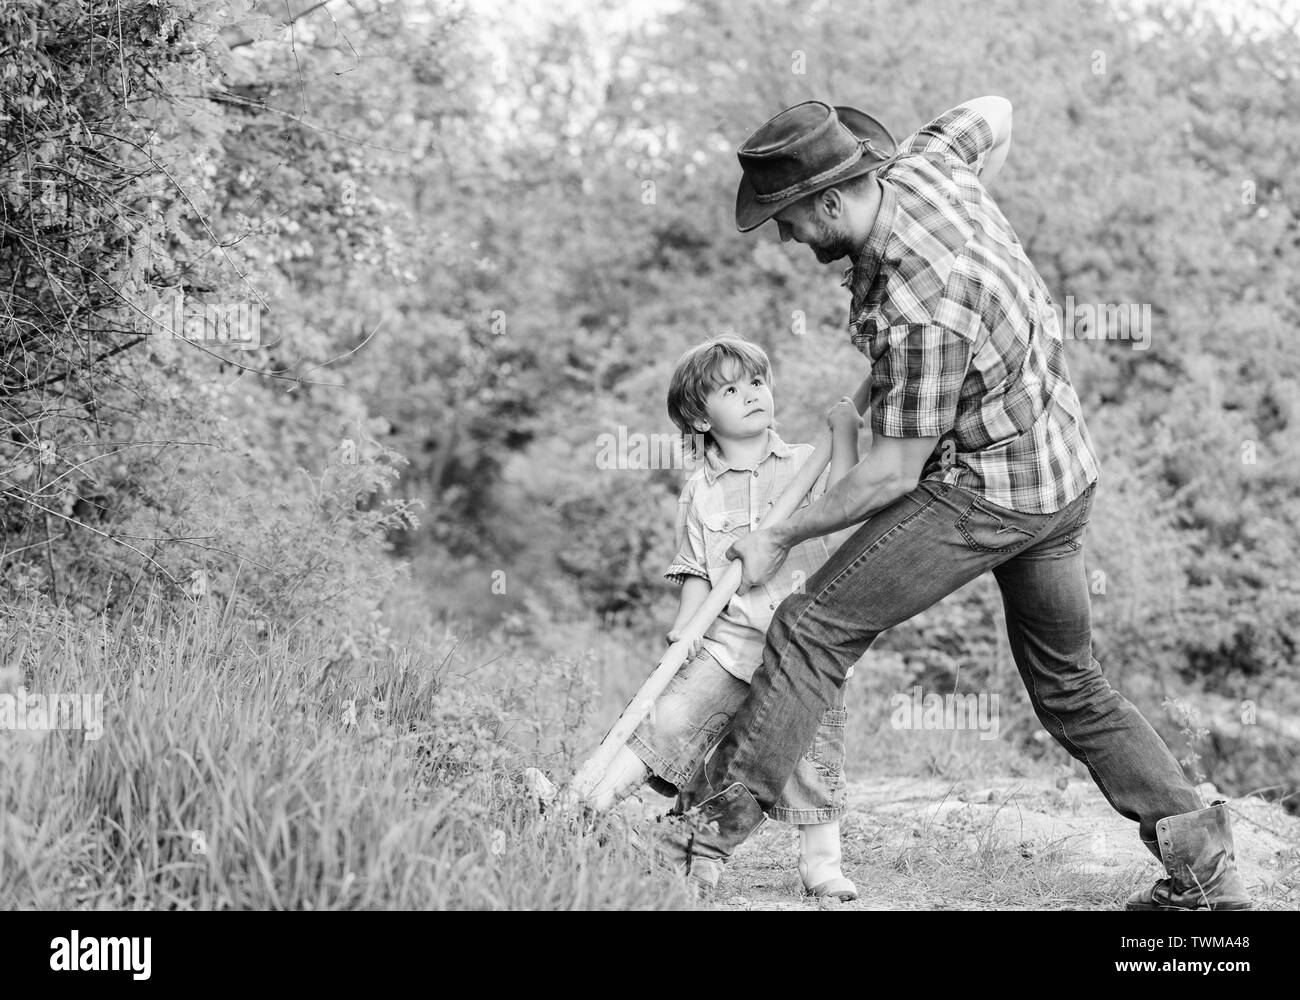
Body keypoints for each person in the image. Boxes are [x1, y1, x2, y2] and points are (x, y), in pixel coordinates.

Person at [639, 97, 1252, 911]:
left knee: (812, 627)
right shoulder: (927, 167)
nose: (785, 240)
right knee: (1072, 686)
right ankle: (1206, 873)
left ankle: (697, 840)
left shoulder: (920, 304)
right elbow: (997, 109)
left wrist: (777, 533)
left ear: (829, 201)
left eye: (786, 220)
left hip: (988, 494)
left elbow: (893, 472)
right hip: (1060, 471)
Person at [582, 335, 863, 898]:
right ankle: (588, 803)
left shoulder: (807, 464)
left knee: (811, 759)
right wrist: (684, 631)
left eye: (756, 382)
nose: (751, 395)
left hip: (807, 646)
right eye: (730, 390)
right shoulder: (699, 492)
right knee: (670, 718)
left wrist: (847, 433)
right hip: (729, 642)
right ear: (700, 418)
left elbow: (847, 504)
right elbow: (696, 570)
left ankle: (822, 867)